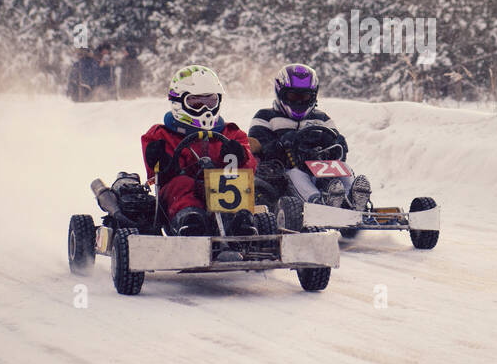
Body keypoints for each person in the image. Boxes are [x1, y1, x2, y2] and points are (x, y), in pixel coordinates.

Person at [140, 65, 257, 248]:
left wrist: (240, 155)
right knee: (181, 184)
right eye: (196, 103)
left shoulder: (232, 133)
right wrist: (162, 161)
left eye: (210, 102)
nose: (205, 109)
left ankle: (240, 225)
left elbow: (250, 167)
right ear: (178, 102)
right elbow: (157, 175)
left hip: (224, 194)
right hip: (181, 198)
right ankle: (191, 222)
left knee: (235, 181)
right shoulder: (161, 135)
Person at [248, 63, 370, 209]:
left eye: (305, 96)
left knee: (342, 166)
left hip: (320, 168)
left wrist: (335, 144)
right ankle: (317, 203)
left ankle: (355, 201)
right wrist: (282, 143)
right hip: (283, 172)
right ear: (281, 92)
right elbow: (258, 147)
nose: (299, 101)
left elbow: (339, 146)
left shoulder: (322, 118)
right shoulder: (265, 117)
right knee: (296, 174)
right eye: (293, 96)